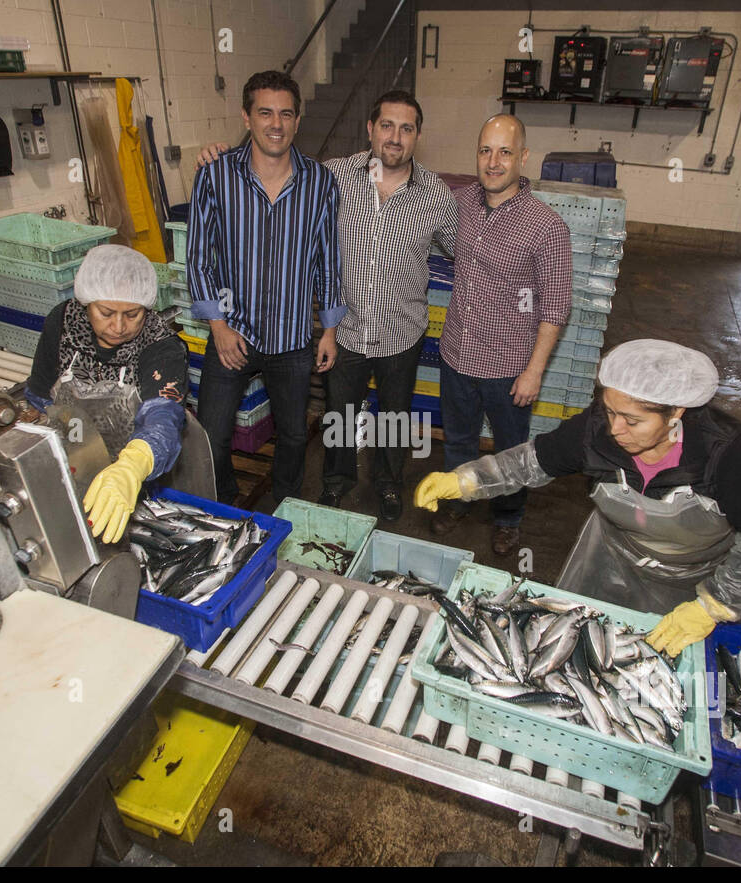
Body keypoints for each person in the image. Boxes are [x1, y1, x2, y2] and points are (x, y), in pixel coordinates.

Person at [415, 339, 741, 657]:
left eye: (632, 421)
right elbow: (530, 462)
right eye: (611, 411)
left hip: (695, 576)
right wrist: (466, 480)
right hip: (611, 556)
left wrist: (714, 605)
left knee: (664, 653)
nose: (615, 429)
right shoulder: (596, 429)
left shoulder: (730, 456)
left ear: (676, 412)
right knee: (574, 647)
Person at [195, 90, 457, 521]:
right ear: (370, 129)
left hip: (402, 330)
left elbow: (463, 250)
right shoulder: (331, 176)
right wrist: (216, 155)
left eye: (406, 128)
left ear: (417, 136)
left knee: (393, 417)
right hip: (347, 329)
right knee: (341, 417)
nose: (395, 137)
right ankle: (337, 483)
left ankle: (389, 486)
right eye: (386, 126)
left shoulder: (437, 196)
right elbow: (276, 167)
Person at [186, 70, 346, 505]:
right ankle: (229, 508)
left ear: (298, 120)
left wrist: (329, 329)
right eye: (265, 113)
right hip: (230, 335)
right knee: (210, 437)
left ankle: (284, 508)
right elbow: (199, 258)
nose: (276, 124)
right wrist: (218, 326)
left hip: (293, 342)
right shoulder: (215, 175)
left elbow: (327, 259)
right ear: (246, 117)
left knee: (294, 436)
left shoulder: (320, 183)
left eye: (286, 114)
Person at [433, 114, 571, 556]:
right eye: (485, 150)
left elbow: (555, 307)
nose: (493, 162)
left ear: (523, 157)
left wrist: (534, 372)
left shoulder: (547, 227)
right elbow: (406, 193)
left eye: (505, 152)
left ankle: (508, 518)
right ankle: (457, 500)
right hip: (456, 354)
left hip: (508, 367)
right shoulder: (460, 202)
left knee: (511, 452)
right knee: (458, 440)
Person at [24, 244, 188, 544]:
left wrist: (130, 468)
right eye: (106, 312)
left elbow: (163, 418)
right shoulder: (62, 323)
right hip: (73, 456)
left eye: (132, 314)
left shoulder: (161, 345)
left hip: (136, 475)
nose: (118, 326)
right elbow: (40, 396)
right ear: (87, 302)